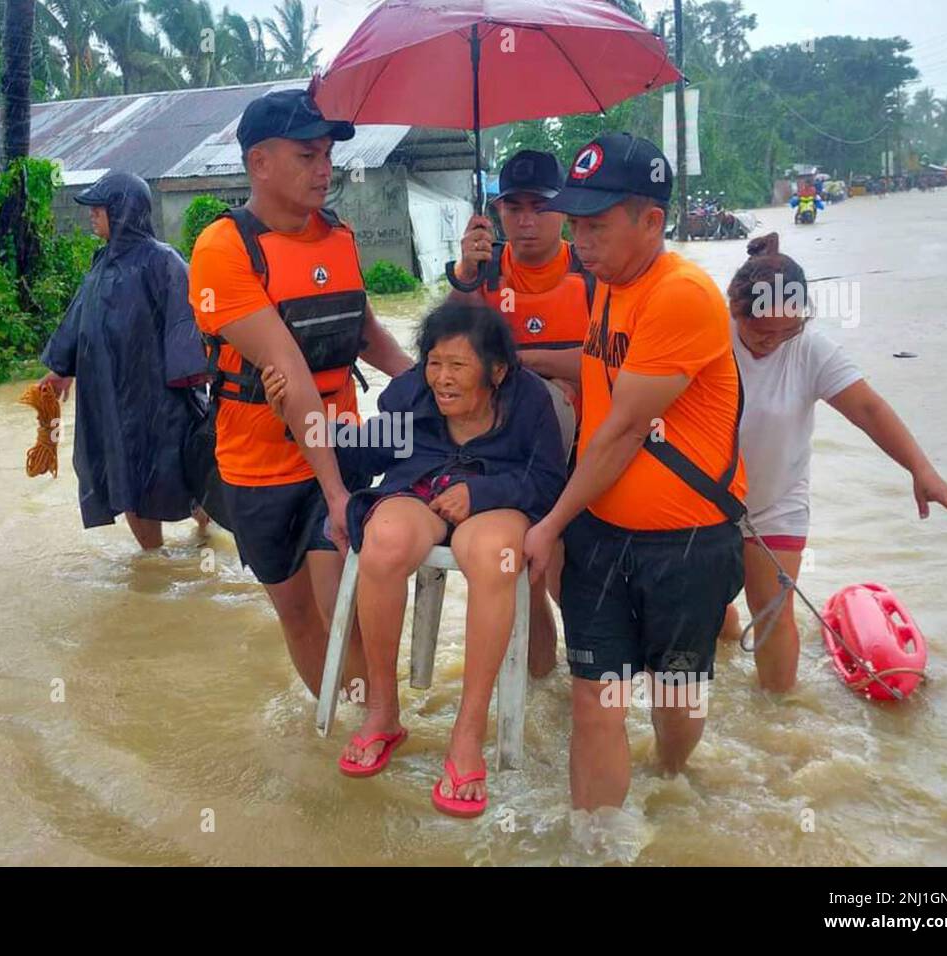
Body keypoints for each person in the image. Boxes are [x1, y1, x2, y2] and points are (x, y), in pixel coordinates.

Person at [262, 302, 566, 817]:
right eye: (434, 362)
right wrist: (292, 419)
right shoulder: (412, 397)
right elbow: (361, 455)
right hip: (420, 491)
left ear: (496, 371)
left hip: (497, 503)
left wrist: (483, 491)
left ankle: (467, 736)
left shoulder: (530, 402)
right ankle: (383, 711)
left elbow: (547, 481)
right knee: (383, 539)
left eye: (458, 366)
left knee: (494, 554)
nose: (442, 379)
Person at [524, 133, 746, 811]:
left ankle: (671, 784)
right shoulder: (611, 288)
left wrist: (550, 523)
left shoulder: (681, 295)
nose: (580, 241)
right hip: (601, 535)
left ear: (651, 220)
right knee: (597, 700)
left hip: (685, 547)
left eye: (597, 225)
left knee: (674, 700)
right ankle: (594, 849)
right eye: (576, 224)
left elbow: (622, 430)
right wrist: (507, 357)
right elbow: (596, 369)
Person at [187, 89, 414, 696]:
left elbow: (367, 335)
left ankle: (376, 723)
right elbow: (284, 367)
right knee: (297, 614)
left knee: (345, 601)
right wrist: (336, 490)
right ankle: (334, 726)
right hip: (256, 470)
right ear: (259, 163)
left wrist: (434, 387)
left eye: (328, 155)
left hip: (336, 453)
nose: (325, 169)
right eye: (307, 155)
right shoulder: (222, 249)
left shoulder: (338, 237)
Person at [718, 233, 947, 691]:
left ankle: (778, 718)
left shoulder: (811, 350)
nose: (774, 342)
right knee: (705, 611)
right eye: (761, 332)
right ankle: (721, 641)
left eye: (789, 331)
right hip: (707, 503)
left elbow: (869, 409)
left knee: (774, 614)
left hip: (777, 503)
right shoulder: (707, 335)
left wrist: (922, 470)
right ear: (735, 311)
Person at [450, 149, 592, 679]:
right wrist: (465, 272)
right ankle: (542, 690)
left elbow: (619, 359)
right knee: (527, 578)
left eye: (540, 206)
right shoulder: (483, 275)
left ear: (565, 209)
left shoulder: (593, 269)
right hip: (508, 455)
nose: (527, 221)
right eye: (514, 208)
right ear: (498, 212)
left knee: (572, 579)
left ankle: (588, 679)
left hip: (587, 451)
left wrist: (522, 361)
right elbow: (448, 357)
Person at [40, 170, 208, 550]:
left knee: (184, 472)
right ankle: (153, 562)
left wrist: (191, 381)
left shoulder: (163, 262)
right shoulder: (101, 264)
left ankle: (205, 535)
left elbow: (187, 322)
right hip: (111, 401)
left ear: (123, 210)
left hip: (160, 400)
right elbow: (80, 317)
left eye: (99, 208)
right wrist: (61, 369)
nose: (91, 215)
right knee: (127, 479)